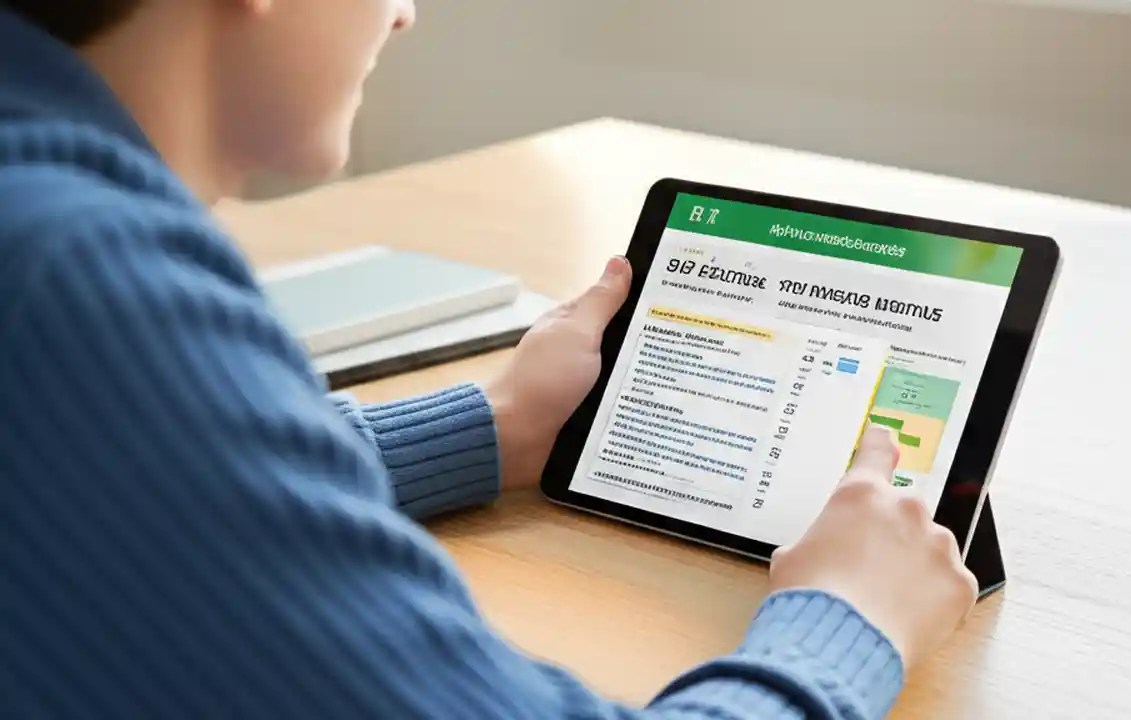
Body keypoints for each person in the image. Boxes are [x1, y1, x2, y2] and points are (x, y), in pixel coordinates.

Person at [0, 2, 979, 718]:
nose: (403, 16)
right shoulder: (77, 271)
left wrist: (494, 426)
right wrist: (851, 616)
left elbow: (95, 478)